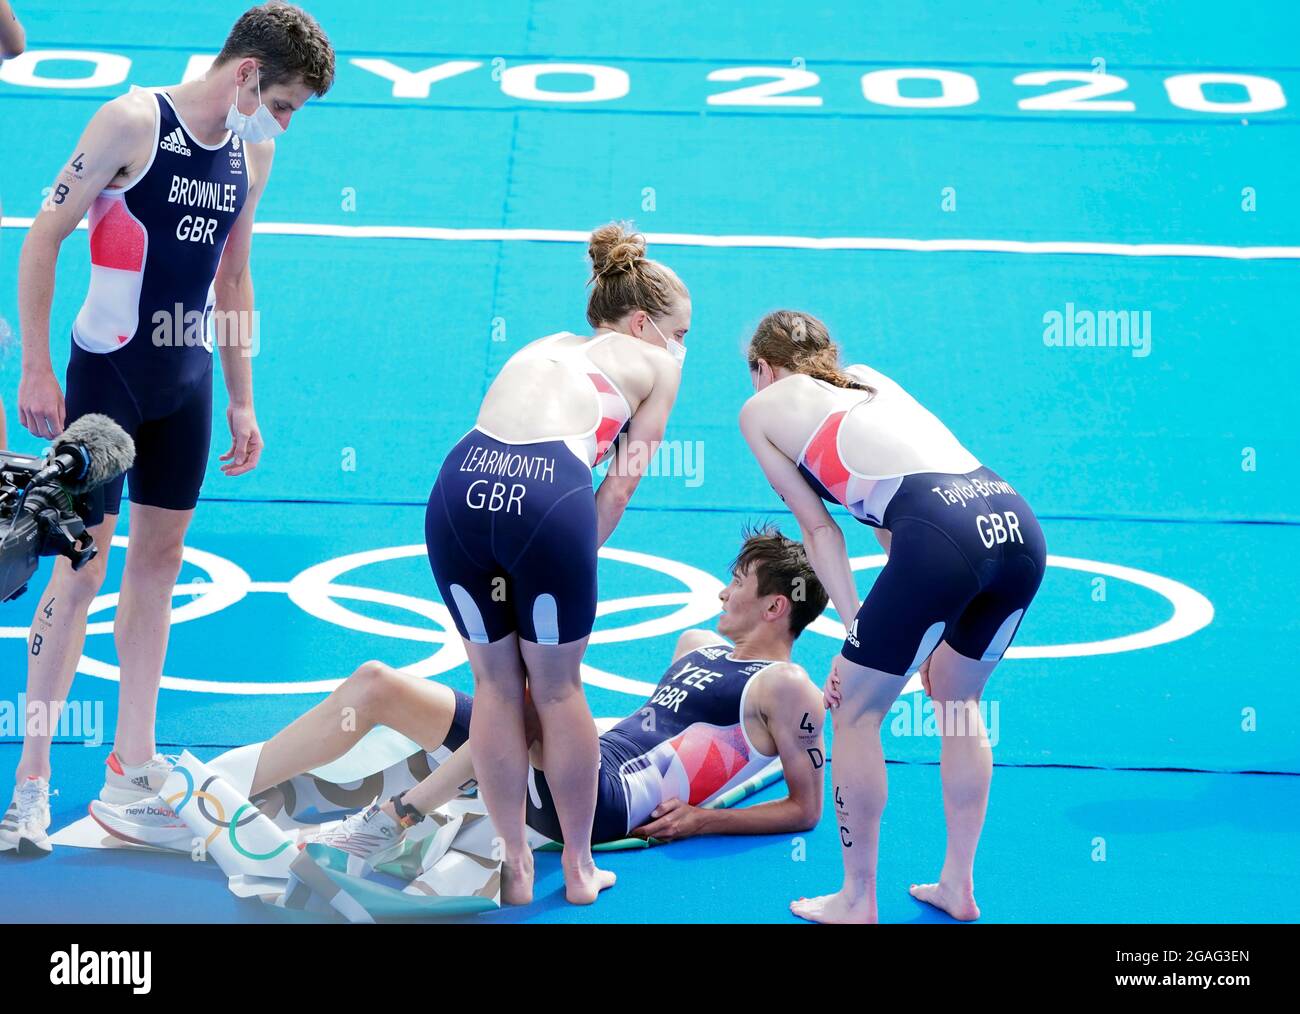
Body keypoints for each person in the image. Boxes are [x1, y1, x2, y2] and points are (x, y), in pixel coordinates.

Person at [0, 2, 335, 858]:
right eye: (288, 104)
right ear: (250, 75)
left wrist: (242, 397)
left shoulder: (251, 150)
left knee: (157, 569)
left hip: (183, 390)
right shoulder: (130, 120)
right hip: (105, 380)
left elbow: (235, 276)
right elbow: (43, 239)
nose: (287, 124)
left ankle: (130, 771)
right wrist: (36, 368)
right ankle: (30, 783)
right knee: (76, 577)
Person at [89, 527, 829, 881]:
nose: (722, 587)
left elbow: (806, 811)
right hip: (572, 763)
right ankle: (215, 795)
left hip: (600, 806)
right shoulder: (693, 639)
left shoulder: (786, 689)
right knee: (376, 681)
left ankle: (392, 820)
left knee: (523, 688)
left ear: (772, 607)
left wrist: (706, 819)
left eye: (738, 579)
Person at [739, 310, 1047, 923]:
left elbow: (819, 531)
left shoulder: (761, 410)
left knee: (854, 710)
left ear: (764, 369)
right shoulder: (867, 380)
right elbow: (897, 518)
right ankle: (958, 885)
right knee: (959, 704)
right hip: (1013, 523)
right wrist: (908, 638)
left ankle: (856, 899)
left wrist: (857, 629)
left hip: (941, 535)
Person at [423, 222, 688, 904]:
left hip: (459, 485)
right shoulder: (659, 366)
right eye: (680, 331)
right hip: (547, 494)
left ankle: (510, 861)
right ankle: (576, 865)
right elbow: (622, 484)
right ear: (640, 324)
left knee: (496, 688)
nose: (683, 347)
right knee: (559, 689)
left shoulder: (541, 344)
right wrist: (564, 563)